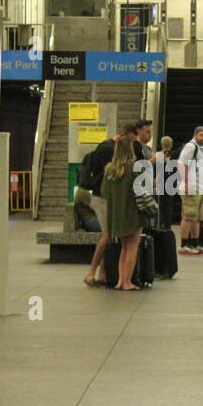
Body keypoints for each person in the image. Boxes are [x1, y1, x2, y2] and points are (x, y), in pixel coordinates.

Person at [83, 123, 136, 287]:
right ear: (124, 136)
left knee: (111, 235)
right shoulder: (107, 149)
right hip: (103, 199)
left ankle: (103, 274)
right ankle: (91, 272)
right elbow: (115, 178)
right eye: (132, 141)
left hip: (106, 198)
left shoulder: (110, 148)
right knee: (108, 234)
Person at [101, 136, 144, 290]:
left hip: (116, 214)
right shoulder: (135, 167)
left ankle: (120, 281)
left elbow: (104, 192)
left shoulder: (110, 169)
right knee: (132, 247)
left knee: (124, 248)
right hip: (133, 213)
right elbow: (142, 190)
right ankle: (127, 282)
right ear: (130, 149)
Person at [177, 125, 203, 255]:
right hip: (192, 187)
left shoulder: (201, 148)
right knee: (189, 216)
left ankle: (195, 244)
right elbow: (181, 163)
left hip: (200, 188)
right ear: (195, 135)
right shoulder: (191, 147)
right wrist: (186, 183)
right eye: (201, 135)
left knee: (197, 218)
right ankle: (184, 245)